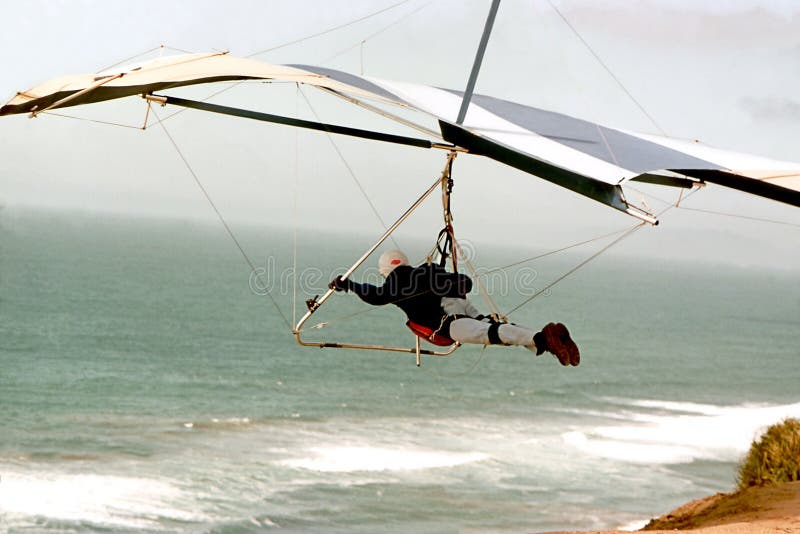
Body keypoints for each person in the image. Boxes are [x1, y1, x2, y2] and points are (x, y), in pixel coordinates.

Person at [330, 249, 580, 366]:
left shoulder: (393, 284)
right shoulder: (425, 271)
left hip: (448, 322)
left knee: (489, 334)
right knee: (495, 328)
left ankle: (540, 336)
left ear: (385, 272)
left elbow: (374, 295)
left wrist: (348, 284)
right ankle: (546, 341)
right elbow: (465, 284)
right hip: (462, 307)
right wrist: (444, 280)